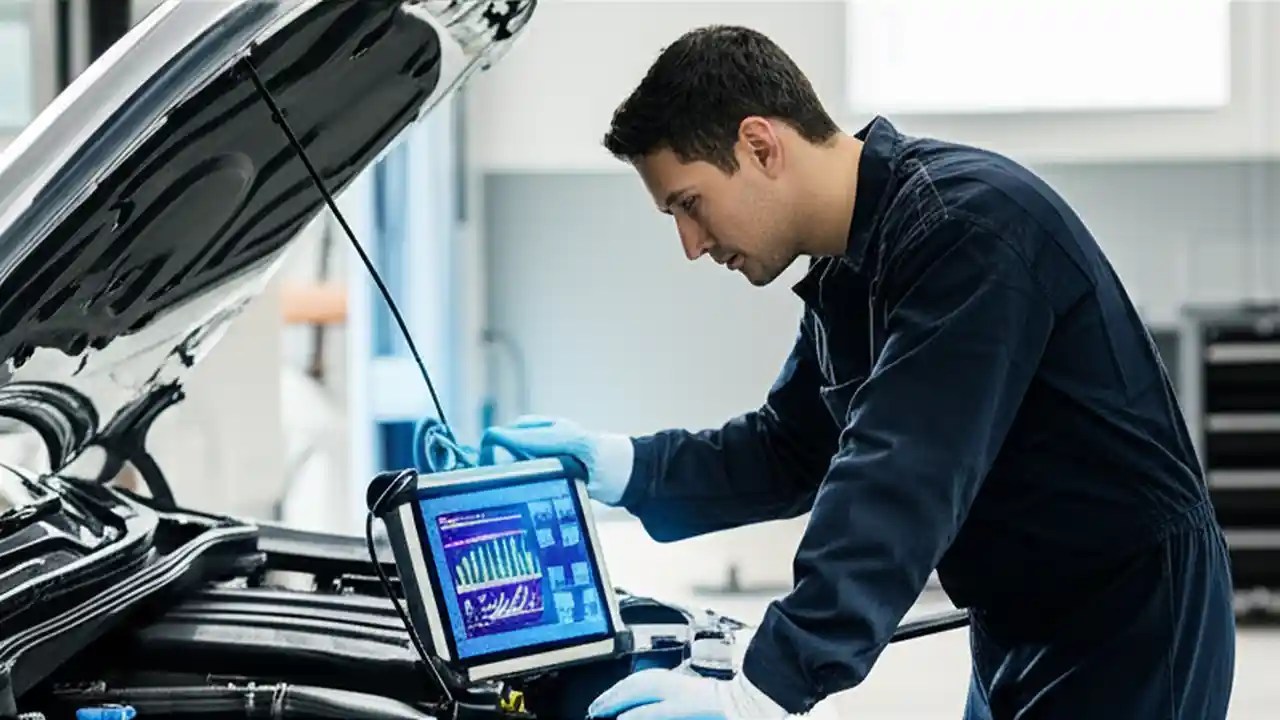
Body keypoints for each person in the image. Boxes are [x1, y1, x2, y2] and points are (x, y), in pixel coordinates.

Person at [480, 25, 1236, 720]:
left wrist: (763, 689)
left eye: (690, 203)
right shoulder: (852, 267)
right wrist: (620, 466)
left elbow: (901, 474)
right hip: (1020, 616)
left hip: (1129, 622)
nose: (691, 243)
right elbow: (791, 448)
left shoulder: (963, 230)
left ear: (759, 145)